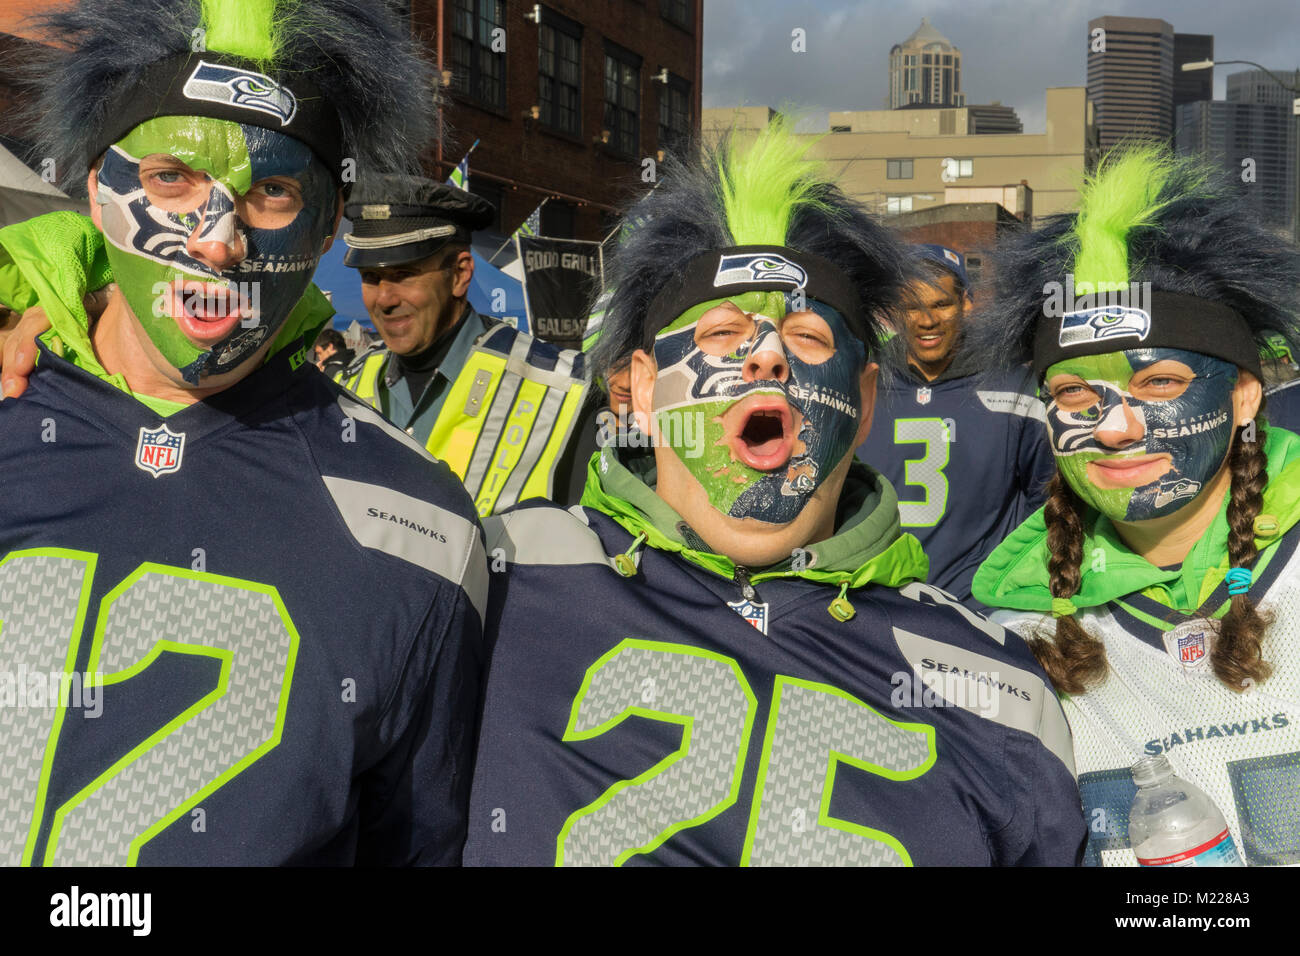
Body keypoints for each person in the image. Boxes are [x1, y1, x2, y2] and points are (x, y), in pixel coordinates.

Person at [463, 121, 1086, 866]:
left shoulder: (993, 683)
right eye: (722, 335)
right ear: (636, 392)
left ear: (863, 402)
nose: (766, 356)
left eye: (809, 338)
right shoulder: (491, 583)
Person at [0, 0, 484, 865]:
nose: (217, 244)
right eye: (171, 177)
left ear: (330, 224)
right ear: (94, 190)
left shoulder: (424, 529)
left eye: (271, 190)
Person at [970, 147, 1300, 867]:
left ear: (1244, 396)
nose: (1115, 429)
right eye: (1075, 396)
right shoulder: (1013, 640)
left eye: (1160, 385)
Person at [335, 175, 593, 515]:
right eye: (370, 278)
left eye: (403, 275)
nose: (384, 299)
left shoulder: (562, 386)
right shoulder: (344, 384)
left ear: (459, 274)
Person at [856, 244, 1054, 603]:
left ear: (966, 302)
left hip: (981, 608)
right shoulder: (866, 385)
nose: (926, 320)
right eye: (910, 307)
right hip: (880, 603)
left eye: (940, 304)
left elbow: (1047, 504)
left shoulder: (1016, 389)